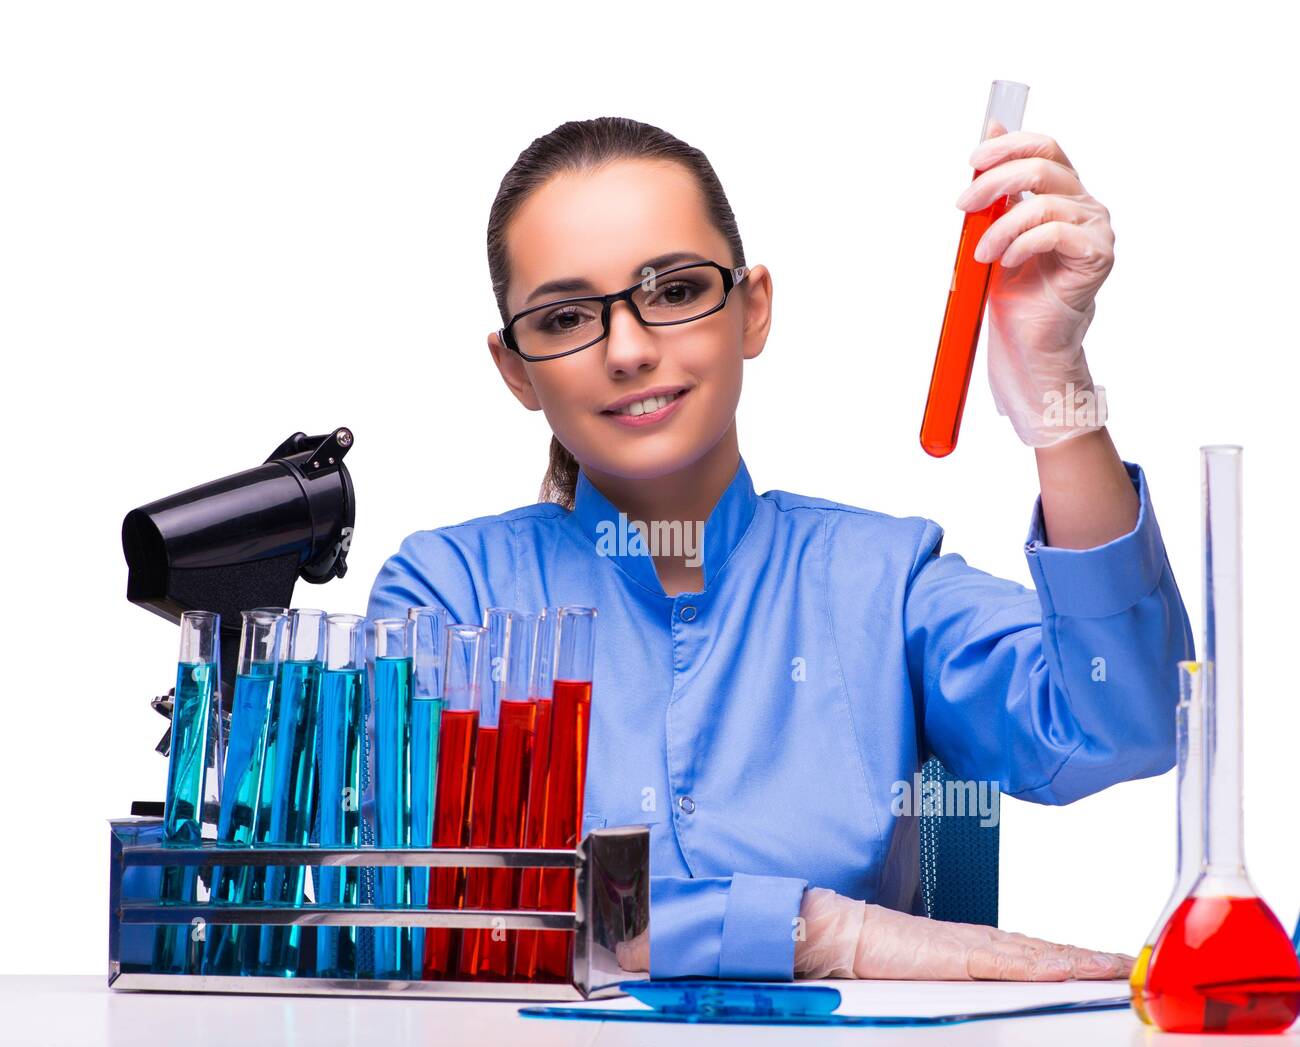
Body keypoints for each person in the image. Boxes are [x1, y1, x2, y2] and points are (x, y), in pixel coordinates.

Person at [366, 115, 1193, 982]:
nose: (629, 349)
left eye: (676, 292)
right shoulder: (449, 593)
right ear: (515, 368)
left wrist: (1055, 388)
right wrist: (827, 932)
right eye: (567, 316)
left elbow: (1129, 721)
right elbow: (453, 899)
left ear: (752, 309)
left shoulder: (884, 580)